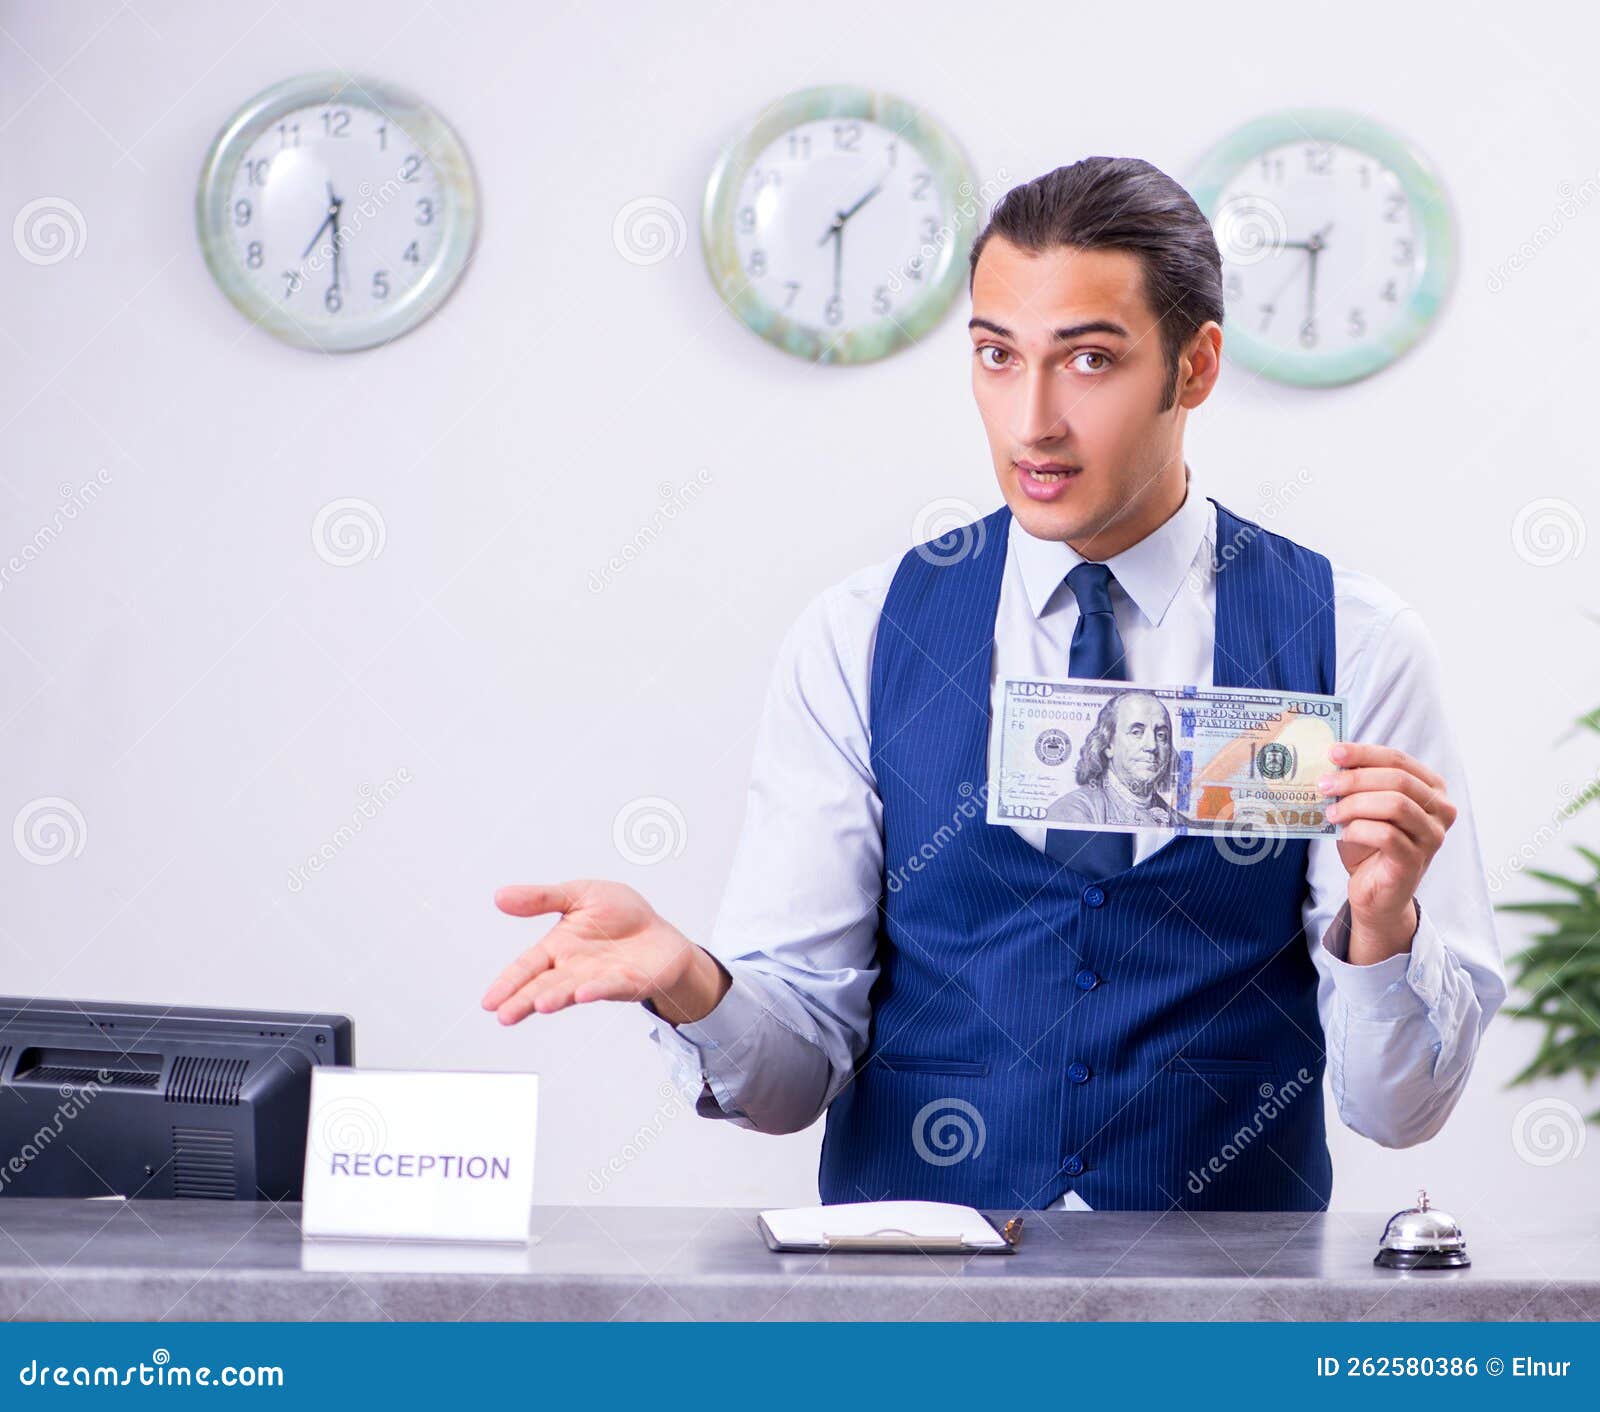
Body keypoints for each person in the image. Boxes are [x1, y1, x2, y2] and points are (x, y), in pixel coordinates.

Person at [481, 156, 1506, 1212]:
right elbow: (786, 1083)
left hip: (1220, 1331)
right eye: (995, 356)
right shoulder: (860, 636)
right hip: (913, 1330)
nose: (1032, 422)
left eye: (1090, 360)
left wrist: (1384, 927)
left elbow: (1398, 1112)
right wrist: (687, 978)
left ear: (1194, 368)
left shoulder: (1355, 642)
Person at [1045, 689, 1189, 830]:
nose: (1152, 746)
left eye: (1161, 735)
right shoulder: (1073, 811)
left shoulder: (1180, 823)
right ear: (1108, 745)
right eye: (1136, 732)